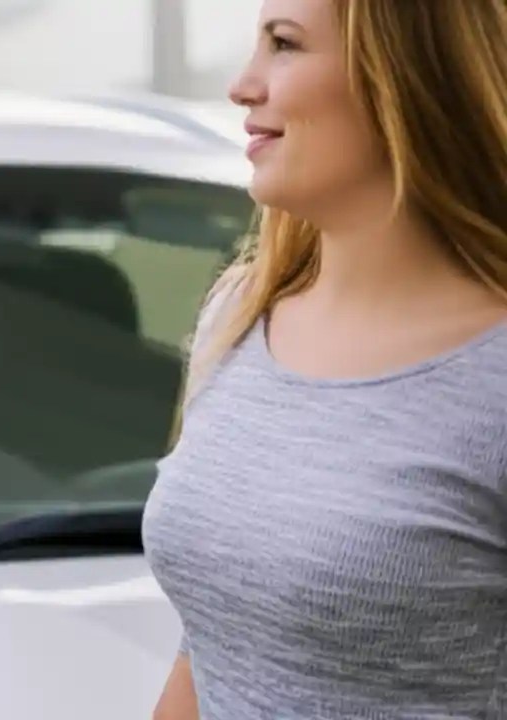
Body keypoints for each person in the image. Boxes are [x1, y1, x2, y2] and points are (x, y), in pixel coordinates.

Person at [142, 0, 507, 717]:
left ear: (403, 75)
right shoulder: (239, 313)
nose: (242, 85)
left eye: (284, 44)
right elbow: (210, 647)